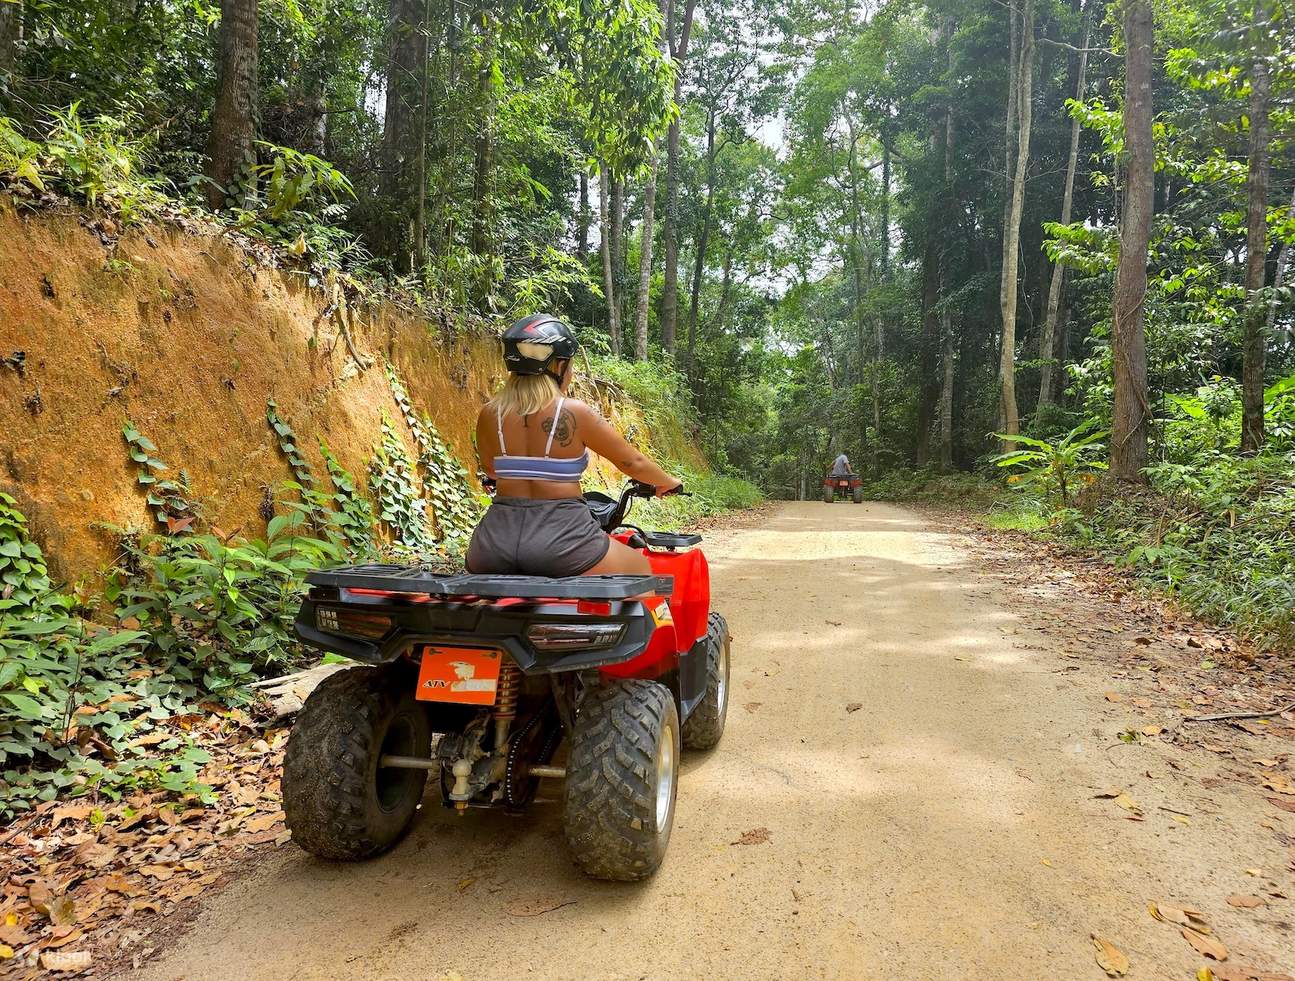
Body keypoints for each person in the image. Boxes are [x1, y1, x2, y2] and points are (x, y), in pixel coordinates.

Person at [466, 313, 682, 578]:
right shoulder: (573, 412)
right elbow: (632, 463)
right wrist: (667, 481)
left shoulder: (490, 414)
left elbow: (491, 469)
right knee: (639, 568)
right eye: (569, 364)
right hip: (563, 541)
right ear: (558, 367)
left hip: (493, 543)